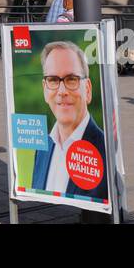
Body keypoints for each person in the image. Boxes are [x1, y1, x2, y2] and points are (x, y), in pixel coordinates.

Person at [29, 39, 109, 202]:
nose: (62, 91)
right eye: (53, 80)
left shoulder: (105, 149)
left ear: (87, 89)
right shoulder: (42, 146)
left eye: (71, 79)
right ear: (45, 89)